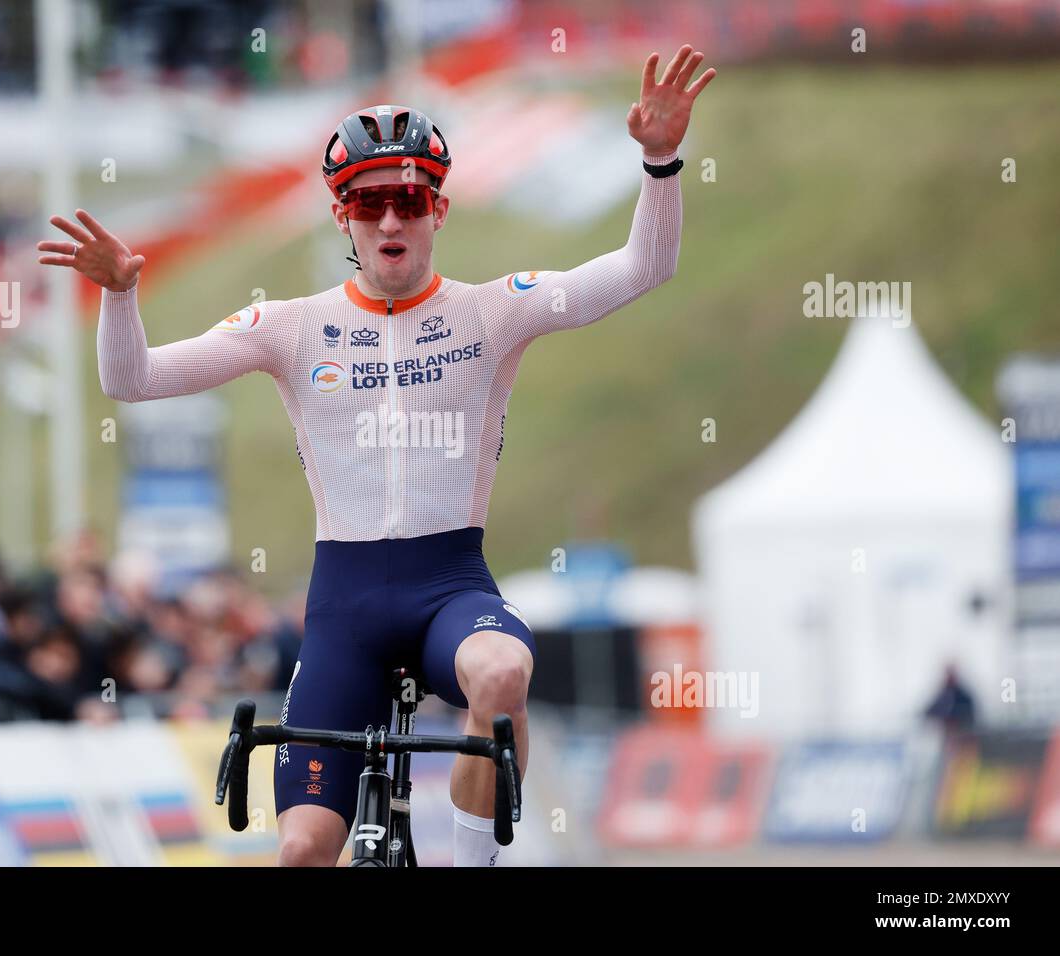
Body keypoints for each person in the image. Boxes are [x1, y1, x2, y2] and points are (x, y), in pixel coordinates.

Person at [40, 46, 715, 866]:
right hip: (344, 611)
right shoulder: (291, 326)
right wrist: (119, 296)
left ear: (439, 210)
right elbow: (133, 379)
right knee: (301, 854)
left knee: (501, 674)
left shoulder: (492, 312)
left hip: (450, 593)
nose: (389, 220)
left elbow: (647, 266)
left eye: (407, 200)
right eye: (369, 205)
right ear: (341, 217)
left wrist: (659, 160)